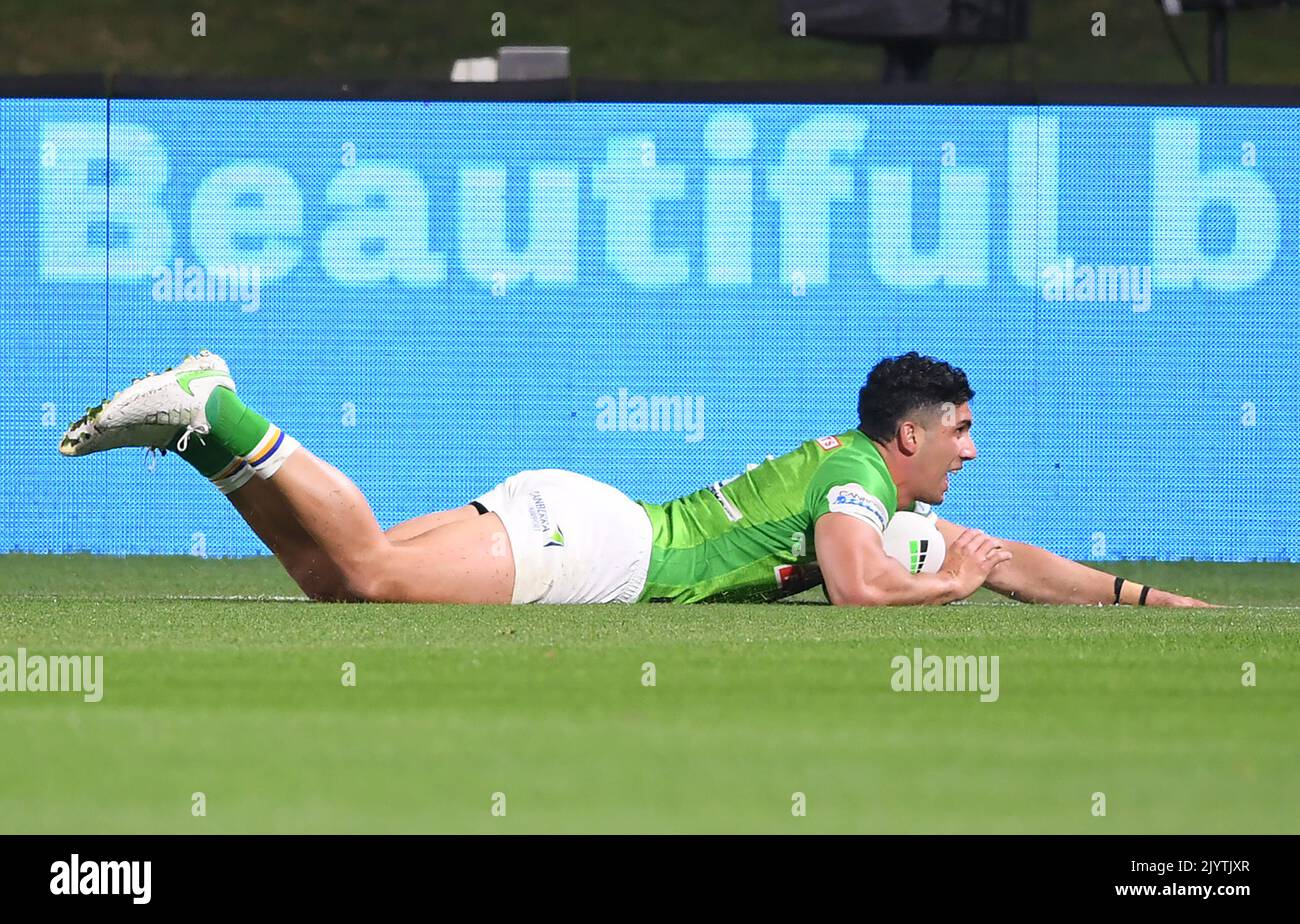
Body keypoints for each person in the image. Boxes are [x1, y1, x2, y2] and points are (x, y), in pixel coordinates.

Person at [59, 350, 1214, 608]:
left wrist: (1151, 605)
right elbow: (860, 586)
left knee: (328, 575)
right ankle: (223, 408)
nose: (971, 449)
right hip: (603, 553)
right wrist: (946, 592)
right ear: (907, 437)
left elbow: (1009, 559)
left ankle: (198, 431)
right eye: (959, 430)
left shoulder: (867, 474)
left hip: (586, 519)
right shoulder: (857, 484)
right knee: (358, 575)